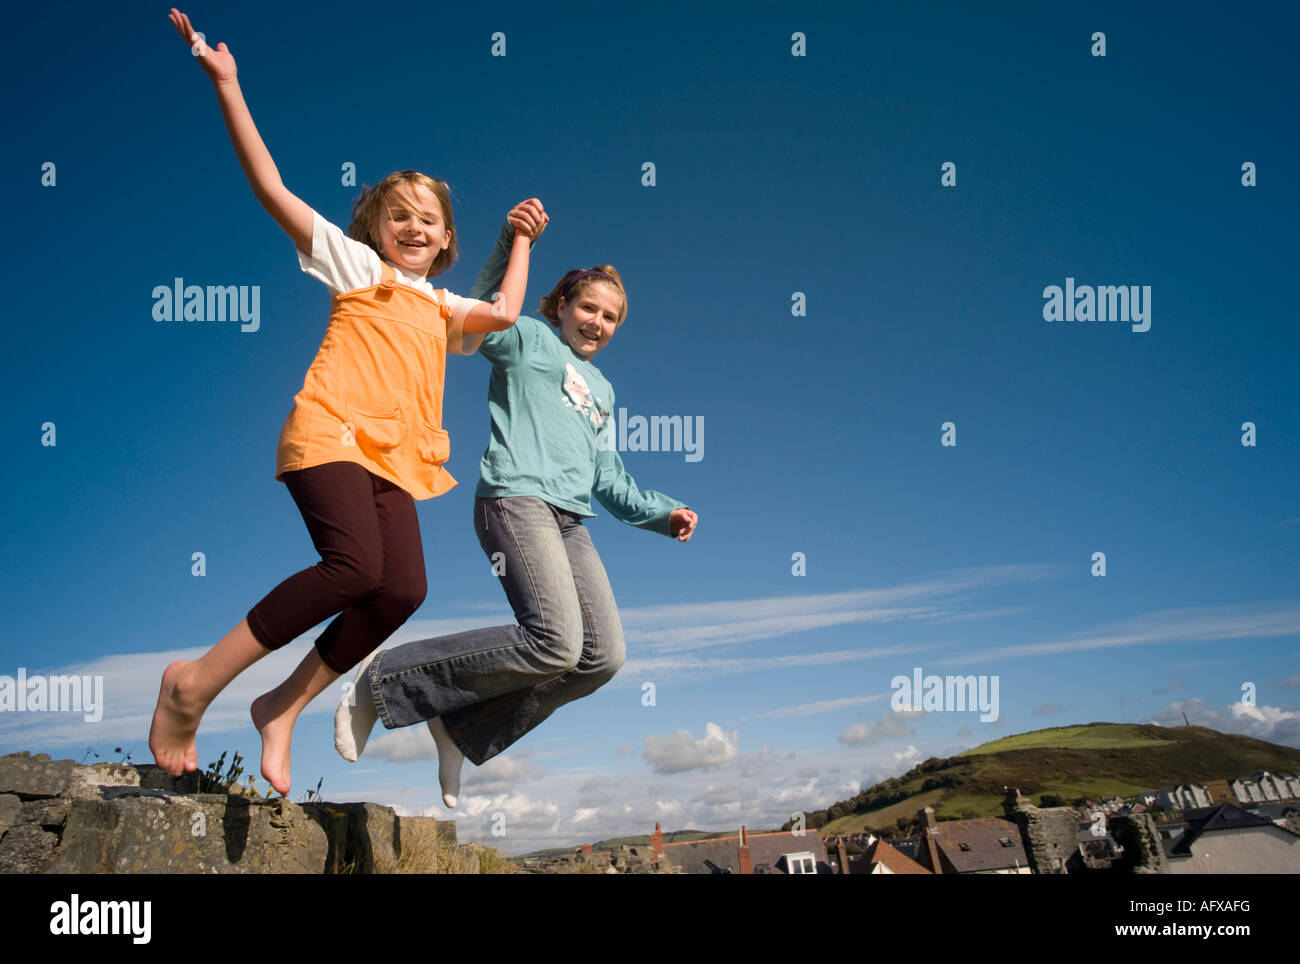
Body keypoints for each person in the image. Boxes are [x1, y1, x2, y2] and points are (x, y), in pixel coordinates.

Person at [148, 9, 544, 795]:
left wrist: (523, 239)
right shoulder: (355, 266)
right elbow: (269, 185)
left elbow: (499, 314)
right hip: (329, 433)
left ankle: (281, 707)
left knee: (401, 589)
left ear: (446, 240)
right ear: (373, 226)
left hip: (393, 457)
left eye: (428, 220)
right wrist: (229, 86)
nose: (413, 226)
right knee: (355, 565)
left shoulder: (439, 309)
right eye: (398, 215)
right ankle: (192, 683)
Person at [335, 207, 699, 807]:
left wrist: (662, 513)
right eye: (588, 309)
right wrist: (513, 241)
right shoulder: (527, 338)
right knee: (556, 641)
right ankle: (386, 682)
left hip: (570, 520)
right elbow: (473, 315)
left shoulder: (603, 392)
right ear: (560, 306)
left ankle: (462, 728)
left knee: (602, 657)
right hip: (515, 499)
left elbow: (608, 477)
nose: (598, 323)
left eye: (611, 318)